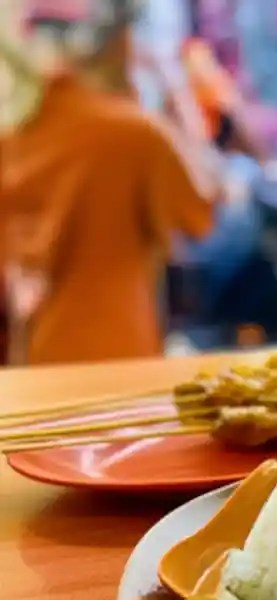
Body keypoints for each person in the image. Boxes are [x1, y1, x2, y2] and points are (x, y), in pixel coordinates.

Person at [0, 7, 219, 364]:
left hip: (34, 354)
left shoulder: (14, 135)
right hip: (120, 351)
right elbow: (199, 216)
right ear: (121, 45)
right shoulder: (135, 134)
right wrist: (177, 97)